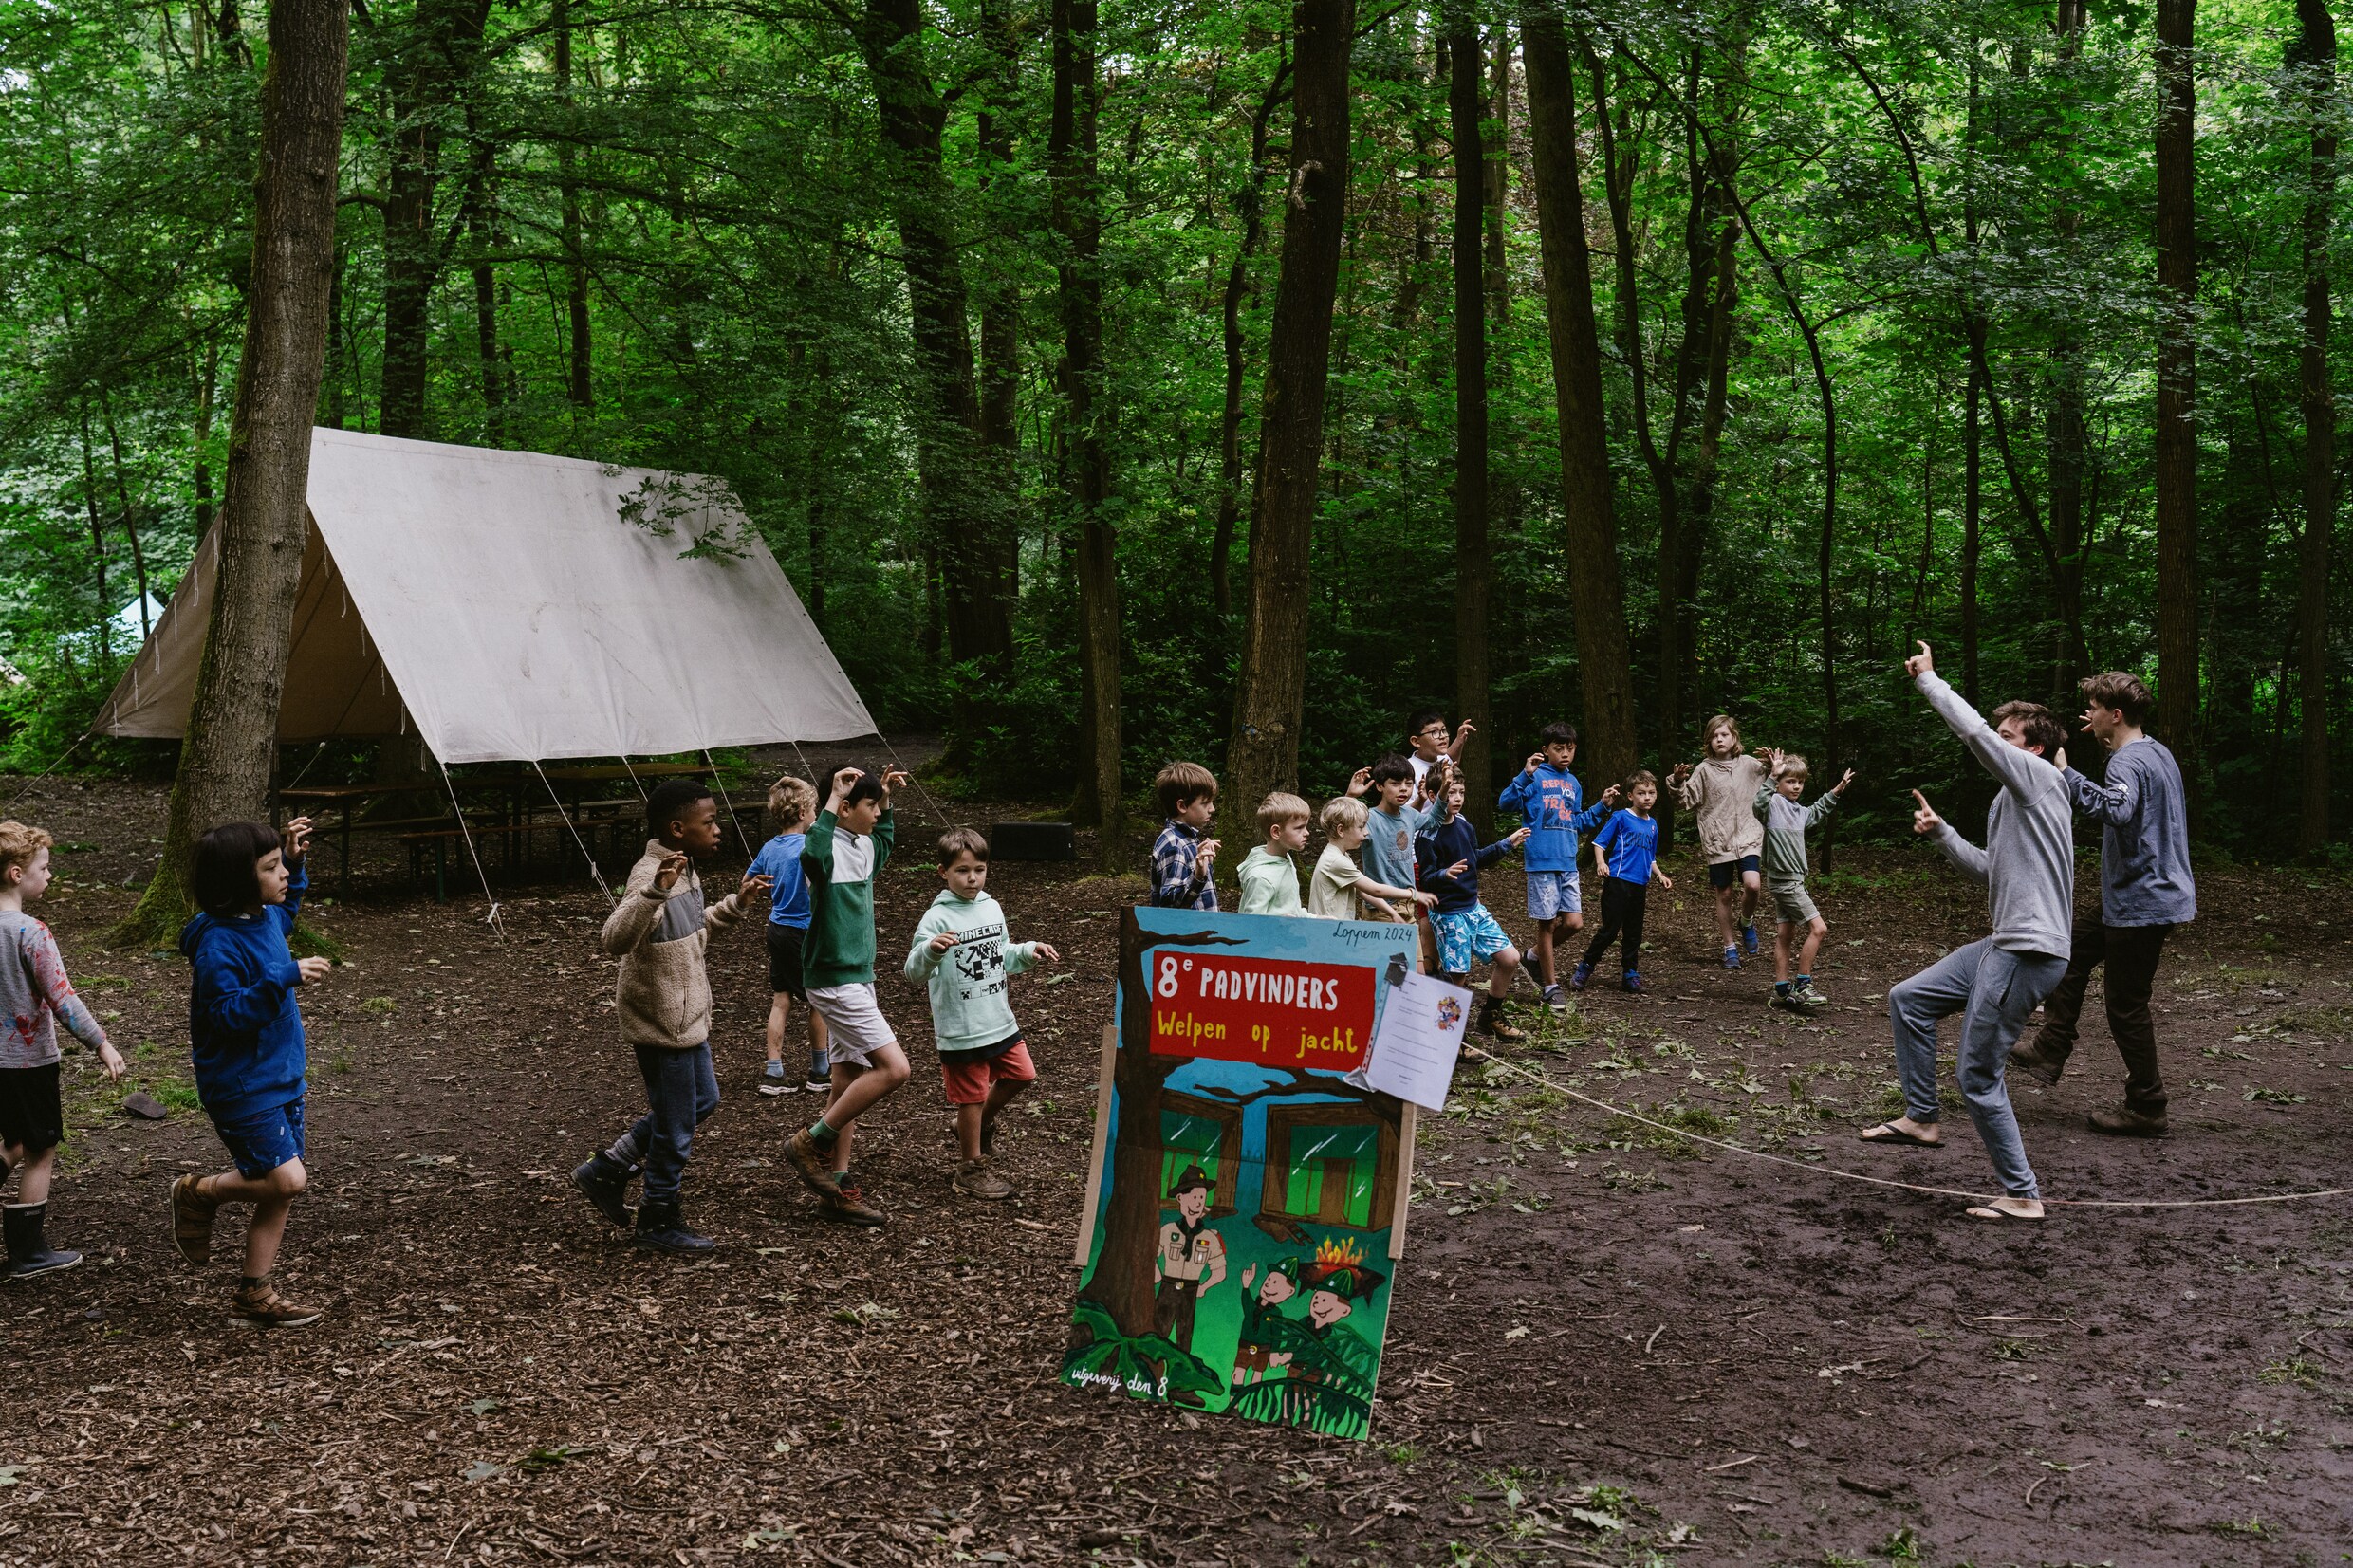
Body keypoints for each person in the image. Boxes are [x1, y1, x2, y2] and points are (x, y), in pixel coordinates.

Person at [1862, 642, 2072, 1225]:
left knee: (1978, 1074)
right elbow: (1990, 870)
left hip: (2028, 952)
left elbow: (1974, 734)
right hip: (2003, 942)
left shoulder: (2038, 781)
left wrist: (1930, 682)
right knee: (1910, 999)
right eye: (2000, 733)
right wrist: (1941, 833)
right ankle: (1921, 1118)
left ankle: (2022, 1194)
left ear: (2034, 748)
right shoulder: (2012, 799)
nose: (1996, 739)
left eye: (2009, 734)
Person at [571, 780, 770, 1254]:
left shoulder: (686, 871)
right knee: (678, 1123)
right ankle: (658, 1219)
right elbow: (614, 939)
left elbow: (691, 937)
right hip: (662, 1024)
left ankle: (608, 1167)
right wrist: (654, 892)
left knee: (701, 1101)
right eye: (710, 823)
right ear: (678, 829)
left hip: (686, 1017)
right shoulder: (653, 874)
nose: (719, 830)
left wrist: (736, 905)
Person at [2008, 672, 2196, 1137]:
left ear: (2115, 715)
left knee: (2126, 1006)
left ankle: (2147, 1107)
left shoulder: (2127, 763)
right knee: (2066, 952)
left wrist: (2067, 774)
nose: (2086, 715)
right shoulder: (2154, 752)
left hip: (2143, 900)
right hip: (2146, 895)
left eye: (2093, 708)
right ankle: (2051, 1047)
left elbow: (2116, 808)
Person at [169, 818, 336, 1326]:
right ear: (239, 881)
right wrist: (282, 978)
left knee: (276, 1185)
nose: (283, 873)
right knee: (287, 1180)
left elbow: (286, 914)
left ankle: (253, 1292)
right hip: (241, 1086)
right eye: (272, 867)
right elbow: (224, 1017)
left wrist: (296, 860)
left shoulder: (262, 916)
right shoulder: (219, 945)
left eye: (282, 863)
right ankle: (199, 1191)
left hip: (282, 1077)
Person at [782, 766, 913, 1227]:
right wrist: (834, 798)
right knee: (895, 1069)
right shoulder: (827, 849)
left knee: (848, 1077)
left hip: (858, 975)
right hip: (834, 978)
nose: (877, 815)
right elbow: (812, 854)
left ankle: (837, 1187)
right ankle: (809, 1141)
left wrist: (889, 801)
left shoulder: (861, 847)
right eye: (870, 807)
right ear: (846, 809)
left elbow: (886, 844)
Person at [902, 827, 1060, 1200]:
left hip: (998, 1019)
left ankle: (972, 1126)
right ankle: (970, 1168)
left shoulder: (991, 906)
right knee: (970, 1096)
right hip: (962, 1026)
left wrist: (1028, 950)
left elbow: (1001, 954)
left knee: (1023, 1074)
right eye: (962, 870)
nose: (972, 878)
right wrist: (932, 951)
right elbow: (913, 972)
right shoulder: (936, 918)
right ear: (943, 872)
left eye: (980, 869)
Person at [0, 821, 125, 1280]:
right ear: (17, 874)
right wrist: (101, 1043)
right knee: (39, 1148)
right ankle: (28, 1254)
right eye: (44, 868)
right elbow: (62, 997)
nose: (49, 876)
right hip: (28, 1062)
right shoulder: (30, 932)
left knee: (11, 1140)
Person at [1495, 723, 1618, 1011]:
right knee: (1547, 923)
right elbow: (1505, 803)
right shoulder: (1535, 776)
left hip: (1568, 862)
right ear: (1545, 750)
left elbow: (1578, 823)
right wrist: (1525, 775)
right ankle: (1550, 987)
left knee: (1574, 923)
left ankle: (1533, 956)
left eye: (1570, 748)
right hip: (1541, 862)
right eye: (1558, 748)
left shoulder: (1573, 783)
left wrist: (1602, 805)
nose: (1565, 754)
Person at [1413, 771, 1533, 1039]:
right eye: (1450, 793)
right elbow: (1427, 878)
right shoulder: (1426, 835)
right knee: (1457, 976)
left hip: (1473, 909)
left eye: (1461, 793)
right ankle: (1448, 1034)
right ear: (1434, 796)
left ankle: (1490, 1016)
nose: (1457, 798)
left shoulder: (1465, 825)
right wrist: (1445, 874)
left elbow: (1475, 858)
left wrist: (1506, 844)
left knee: (1510, 958)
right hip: (1448, 914)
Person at [747, 775, 830, 1097]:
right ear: (802, 814)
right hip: (802, 932)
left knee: (781, 1000)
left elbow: (747, 882)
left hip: (776, 930)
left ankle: (774, 1071)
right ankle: (820, 1071)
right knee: (819, 1001)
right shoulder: (809, 847)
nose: (816, 816)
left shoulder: (770, 848)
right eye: (813, 810)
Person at [1752, 752, 1854, 1012]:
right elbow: (1758, 803)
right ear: (1779, 784)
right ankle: (1803, 986)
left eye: (1800, 782)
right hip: (1785, 882)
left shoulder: (1799, 811)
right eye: (1790, 781)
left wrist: (1837, 790)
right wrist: (1773, 775)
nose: (1796, 786)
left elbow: (1817, 811)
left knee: (1785, 935)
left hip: (1792, 880)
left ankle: (1782, 990)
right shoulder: (1772, 804)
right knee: (1819, 929)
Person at [1667, 716, 1769, 969]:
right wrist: (1678, 781)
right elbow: (1685, 800)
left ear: (1734, 737)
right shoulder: (1704, 770)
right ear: (1708, 742)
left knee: (1753, 885)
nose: (1719, 739)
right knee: (1724, 894)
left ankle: (1746, 922)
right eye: (1714, 736)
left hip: (1748, 836)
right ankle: (1729, 947)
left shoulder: (1750, 765)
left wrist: (1773, 764)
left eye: (1724, 734)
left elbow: (1775, 782)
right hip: (1718, 839)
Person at [1570, 772, 1675, 995]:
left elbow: (1651, 857)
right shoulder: (1621, 817)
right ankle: (1585, 967)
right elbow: (1599, 842)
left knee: (1634, 932)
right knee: (1609, 931)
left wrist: (1660, 875)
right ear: (1630, 796)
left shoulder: (1653, 825)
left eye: (1651, 793)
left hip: (1640, 884)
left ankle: (1630, 974)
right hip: (1618, 881)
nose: (1647, 797)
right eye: (1641, 793)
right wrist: (1600, 863)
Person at [1358, 754, 1442, 969]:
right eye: (1395, 784)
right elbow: (1342, 821)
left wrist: (1443, 791)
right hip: (1382, 910)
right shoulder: (1369, 818)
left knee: (1415, 976)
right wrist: (1351, 795)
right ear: (1379, 786)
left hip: (1408, 908)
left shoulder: (1409, 815)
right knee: (1395, 977)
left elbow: (1434, 821)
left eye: (1408, 783)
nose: (1403, 789)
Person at [1307, 796, 1437, 922]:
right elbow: (1376, 889)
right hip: (1327, 931)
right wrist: (1414, 894)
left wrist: (1392, 913)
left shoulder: (1340, 855)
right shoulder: (1335, 861)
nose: (1366, 832)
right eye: (1361, 827)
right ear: (1341, 830)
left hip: (1336, 929)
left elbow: (1363, 891)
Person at [1155, 1166, 1228, 1354]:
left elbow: (1220, 1271)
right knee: (1158, 1332)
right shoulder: (1168, 1230)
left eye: (1202, 1198)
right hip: (1168, 1287)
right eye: (1194, 1197)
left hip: (1191, 1290)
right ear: (1181, 1198)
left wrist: (1204, 1287)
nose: (1198, 1203)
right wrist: (1156, 1275)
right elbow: (1151, 1256)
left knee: (1184, 1337)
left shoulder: (1210, 1238)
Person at [1149, 761, 1221, 912]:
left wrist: (1206, 866)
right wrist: (1198, 876)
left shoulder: (1187, 838)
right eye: (1205, 803)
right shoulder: (1173, 844)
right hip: (1186, 934)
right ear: (1182, 806)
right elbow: (1170, 904)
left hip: (1203, 932)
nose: (1212, 809)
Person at [1236, 793, 1312, 917]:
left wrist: (1314, 918)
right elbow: (1251, 924)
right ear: (1276, 832)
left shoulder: (1283, 860)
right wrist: (1280, 923)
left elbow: (1289, 907)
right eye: (1299, 828)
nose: (1307, 833)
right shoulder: (1260, 877)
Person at [1403, 709, 1476, 802]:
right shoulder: (1408, 770)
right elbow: (1405, 813)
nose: (1442, 736)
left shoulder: (1441, 759)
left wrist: (1460, 739)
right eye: (1434, 732)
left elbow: (1450, 758)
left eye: (1444, 730)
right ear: (1416, 741)